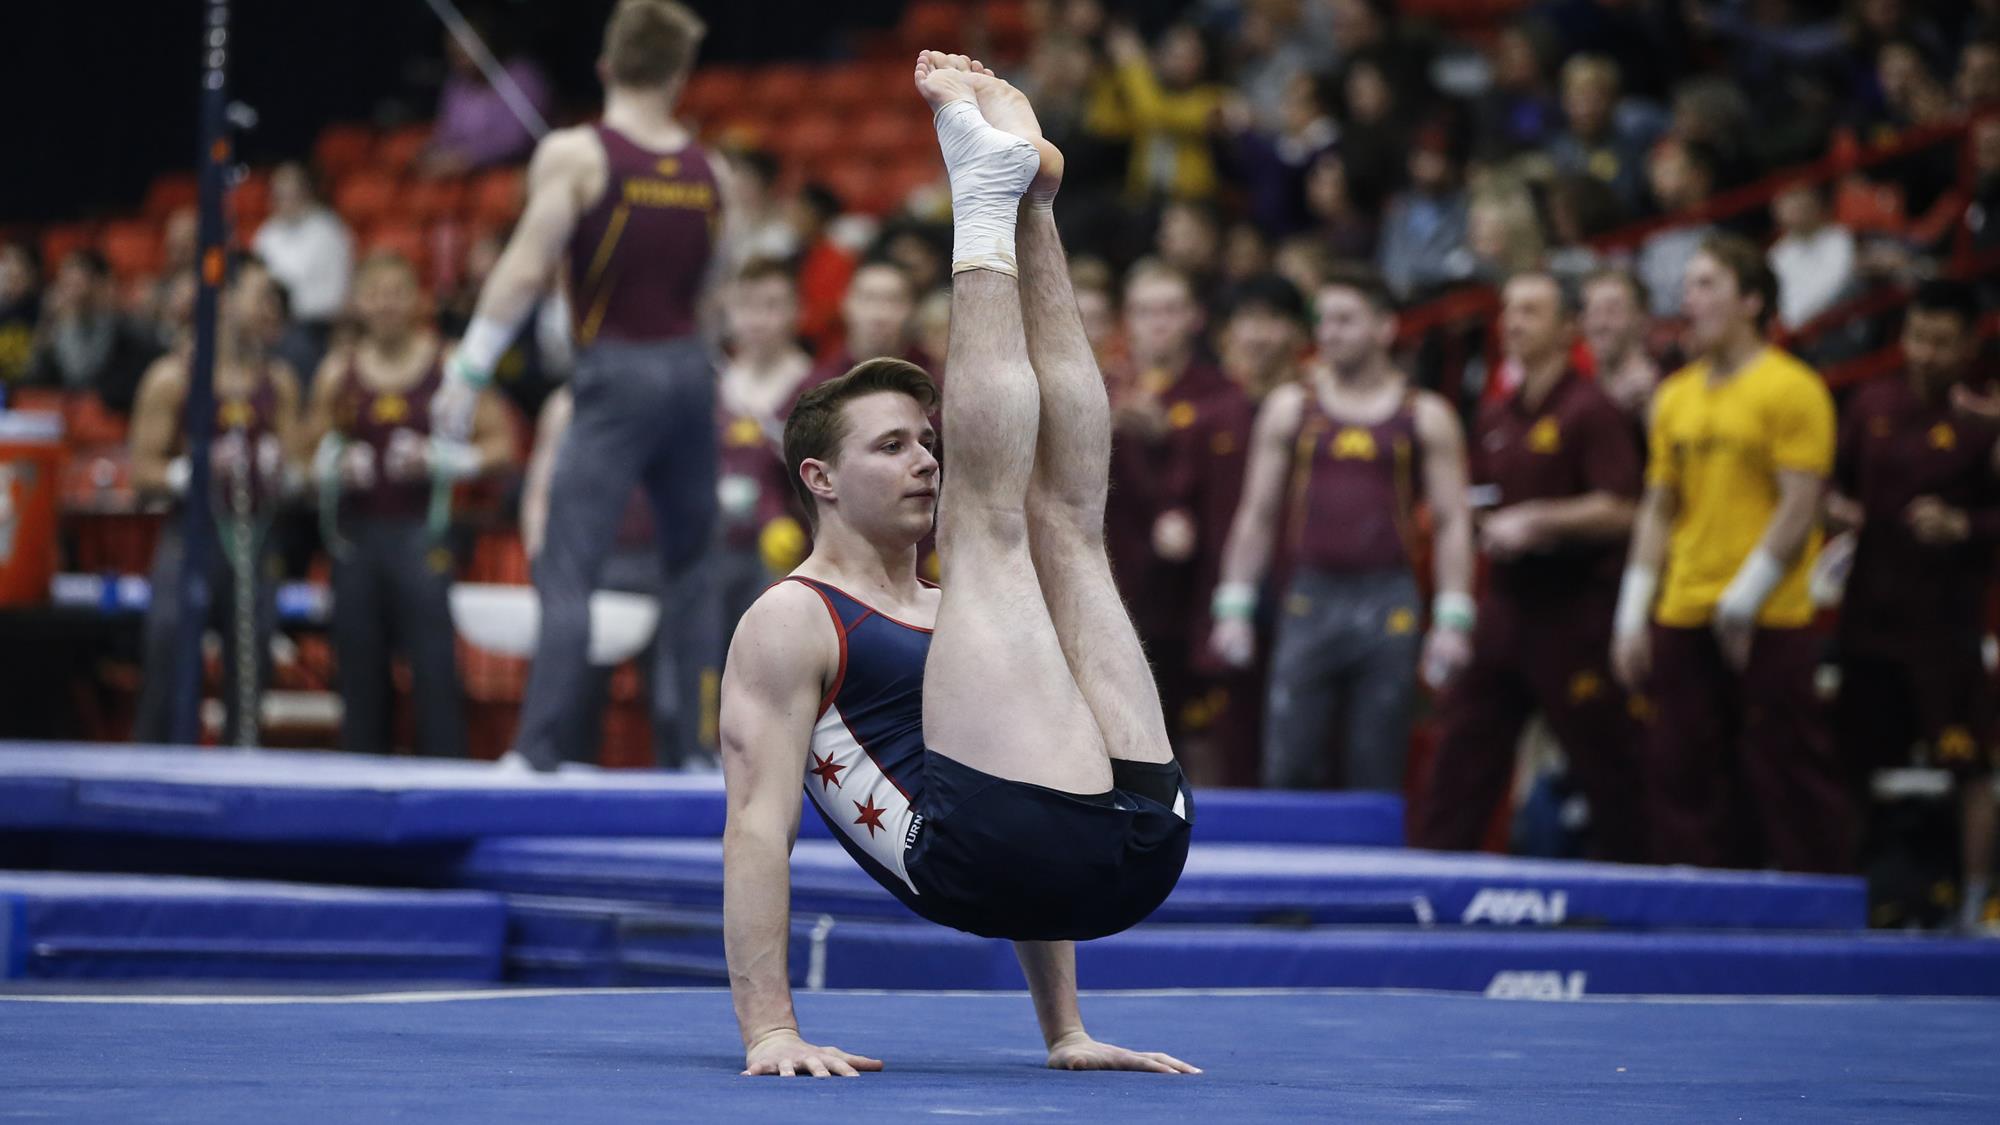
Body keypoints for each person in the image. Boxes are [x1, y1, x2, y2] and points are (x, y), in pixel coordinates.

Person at [722, 53, 1195, 1078]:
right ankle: (986, 201)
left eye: (926, 438)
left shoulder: (961, 611)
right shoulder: (792, 619)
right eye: (890, 446)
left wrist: (1063, 1031)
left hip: (1136, 850)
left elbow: (1039, 767)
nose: (924, 458)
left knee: (1065, 518)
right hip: (972, 857)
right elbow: (756, 831)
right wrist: (770, 1031)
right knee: (997, 523)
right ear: (819, 478)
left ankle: (1029, 207)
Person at [433, 0, 724, 773]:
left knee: (569, 562)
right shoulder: (711, 171)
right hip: (692, 371)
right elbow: (705, 298)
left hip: (617, 371)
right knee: (693, 568)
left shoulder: (574, 154)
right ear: (681, 76)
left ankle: (537, 748)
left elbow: (526, 267)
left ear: (604, 67)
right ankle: (699, 751)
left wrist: (467, 369)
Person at [1611, 234, 1849, 872]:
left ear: (1751, 300)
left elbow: (1801, 505)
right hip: (1686, 607)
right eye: (1688, 286)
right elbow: (1659, 507)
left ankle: (1810, 914)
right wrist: (1633, 613)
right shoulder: (1674, 397)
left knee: (1785, 772)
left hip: (1770, 614)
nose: (1691, 299)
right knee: (1679, 770)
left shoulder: (1793, 388)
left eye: (1708, 284)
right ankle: (1693, 914)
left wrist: (1743, 599)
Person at [1210, 265, 1475, 792]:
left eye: (1345, 320)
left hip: (1389, 601)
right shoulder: (1292, 409)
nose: (1328, 333)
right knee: (1289, 761)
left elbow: (1452, 522)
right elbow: (1257, 514)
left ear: (1385, 328)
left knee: (1376, 761)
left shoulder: (1424, 415)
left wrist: (1453, 617)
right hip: (1310, 596)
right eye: (1323, 321)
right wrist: (1234, 604)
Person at [1415, 271, 1647, 861]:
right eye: (1508, 312)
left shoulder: (1591, 409)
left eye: (1530, 312)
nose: (1512, 323)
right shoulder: (1496, 414)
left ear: (1568, 329)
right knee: (1462, 755)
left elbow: (1624, 508)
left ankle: (1635, 896)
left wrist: (1544, 520)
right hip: (1506, 607)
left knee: (1610, 765)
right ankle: (1432, 885)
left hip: (1573, 612)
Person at [1830, 280, 1998, 930]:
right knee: (1851, 768)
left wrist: (1965, 527)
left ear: (1970, 344)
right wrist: (1837, 510)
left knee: (1972, 768)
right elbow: (1836, 486)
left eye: (1941, 341)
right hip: (1868, 624)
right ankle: (1843, 900)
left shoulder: (1985, 422)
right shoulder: (1871, 402)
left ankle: (1977, 899)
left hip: (1946, 635)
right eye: (1916, 337)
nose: (1925, 353)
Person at [302, 252, 515, 757]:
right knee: (358, 672)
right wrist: (332, 459)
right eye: (375, 294)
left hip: (424, 539)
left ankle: (446, 777)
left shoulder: (447, 366)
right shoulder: (338, 372)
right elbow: (302, 448)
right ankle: (361, 781)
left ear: (417, 300)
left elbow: (502, 445)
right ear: (358, 304)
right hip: (358, 539)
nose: (386, 305)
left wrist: (449, 460)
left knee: (435, 673)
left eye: (397, 293)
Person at [129, 256, 302, 744]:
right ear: (224, 301)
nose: (271, 308)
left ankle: (241, 773)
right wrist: (189, 473)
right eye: (260, 295)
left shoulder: (279, 381)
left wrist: (284, 471)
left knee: (251, 676)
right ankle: (151, 774)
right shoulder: (172, 378)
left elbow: (299, 463)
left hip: (255, 542)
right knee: (168, 659)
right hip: (192, 540)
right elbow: (141, 472)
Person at [26, 249, 160, 414]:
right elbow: (36, 384)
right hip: (66, 421)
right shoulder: (55, 333)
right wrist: (44, 334)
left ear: (100, 283)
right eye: (64, 283)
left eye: (75, 284)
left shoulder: (130, 333)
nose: (68, 291)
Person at [1579, 268, 1660, 421]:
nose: (1600, 324)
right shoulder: (1578, 393)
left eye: (1612, 311)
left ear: (1642, 320)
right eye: (1593, 311)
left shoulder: (1665, 392)